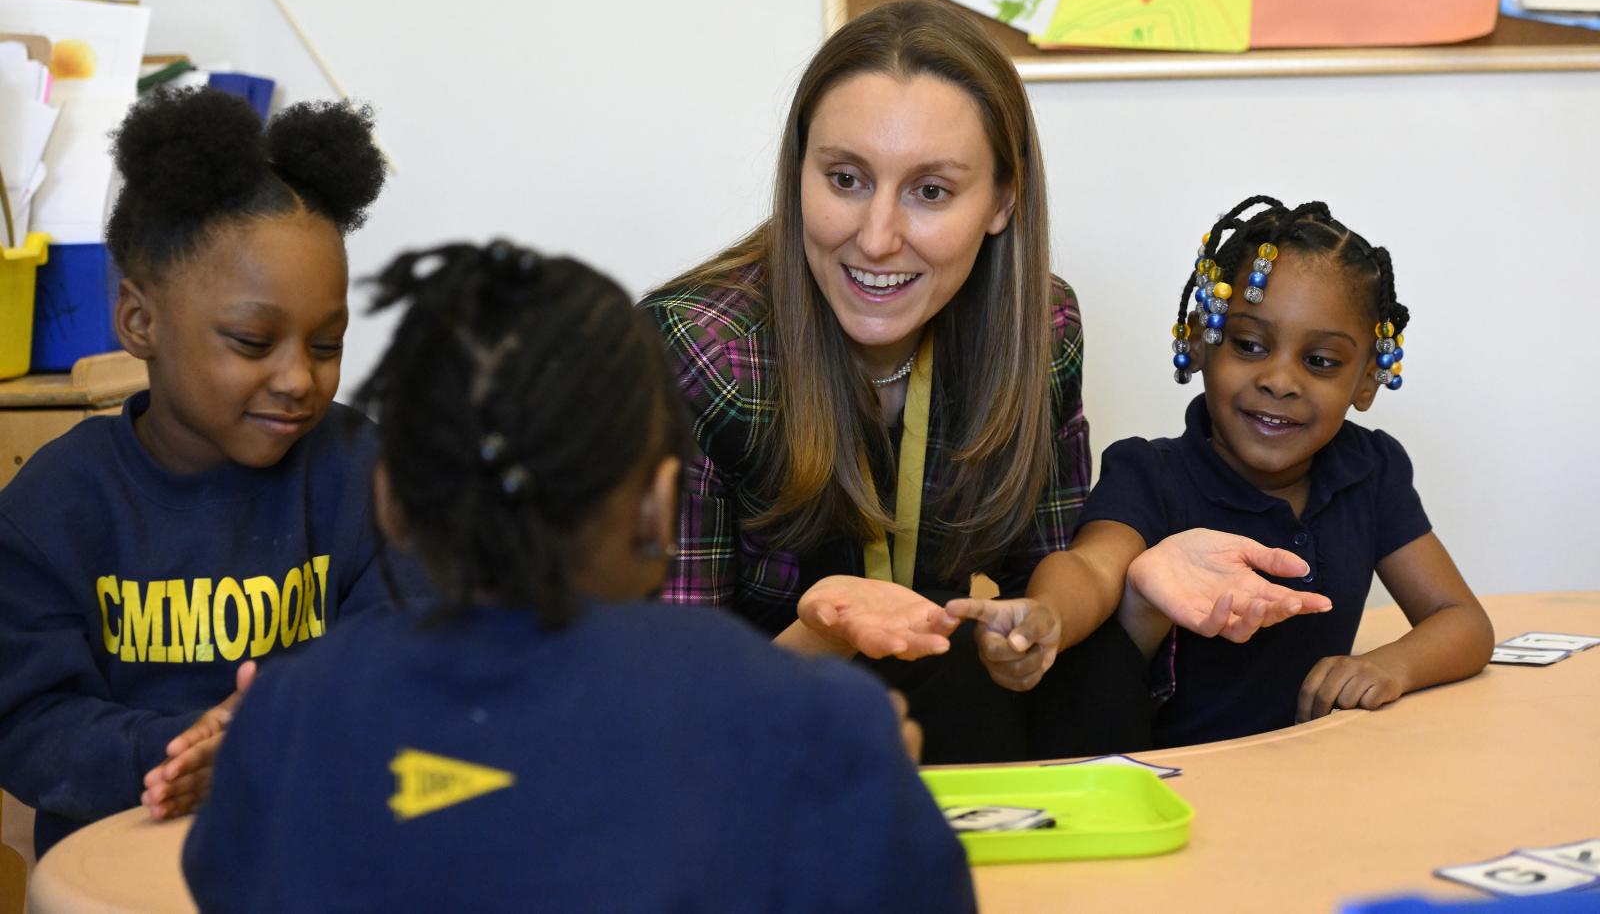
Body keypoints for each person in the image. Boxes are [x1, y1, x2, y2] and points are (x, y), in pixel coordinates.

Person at [182, 241, 976, 914]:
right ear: (659, 509)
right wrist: (879, 794)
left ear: (390, 502)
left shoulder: (282, 718)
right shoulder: (822, 723)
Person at [643, 0, 1325, 763]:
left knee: (1080, 666)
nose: (875, 237)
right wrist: (829, 630)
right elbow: (662, 705)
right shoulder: (702, 351)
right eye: (845, 179)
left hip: (920, 718)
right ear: (798, 170)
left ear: (1003, 199)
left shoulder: (1042, 328)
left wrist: (1129, 593)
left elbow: (1044, 601)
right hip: (746, 740)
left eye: (931, 191)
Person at [0, 87, 405, 855]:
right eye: (254, 343)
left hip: (318, 840)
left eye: (326, 345)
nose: (298, 378)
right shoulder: (50, 508)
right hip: (126, 850)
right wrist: (179, 749)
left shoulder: (370, 475)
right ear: (139, 321)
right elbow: (25, 717)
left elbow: (409, 652)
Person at [1058, 195, 1494, 745]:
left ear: (1365, 382)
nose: (1280, 381)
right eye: (1249, 344)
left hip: (1311, 774)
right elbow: (1087, 593)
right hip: (1170, 782)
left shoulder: (1372, 471)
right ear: (1199, 339)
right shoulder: (1146, 473)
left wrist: (1390, 666)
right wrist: (1044, 612)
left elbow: (1463, 621)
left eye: (1320, 362)